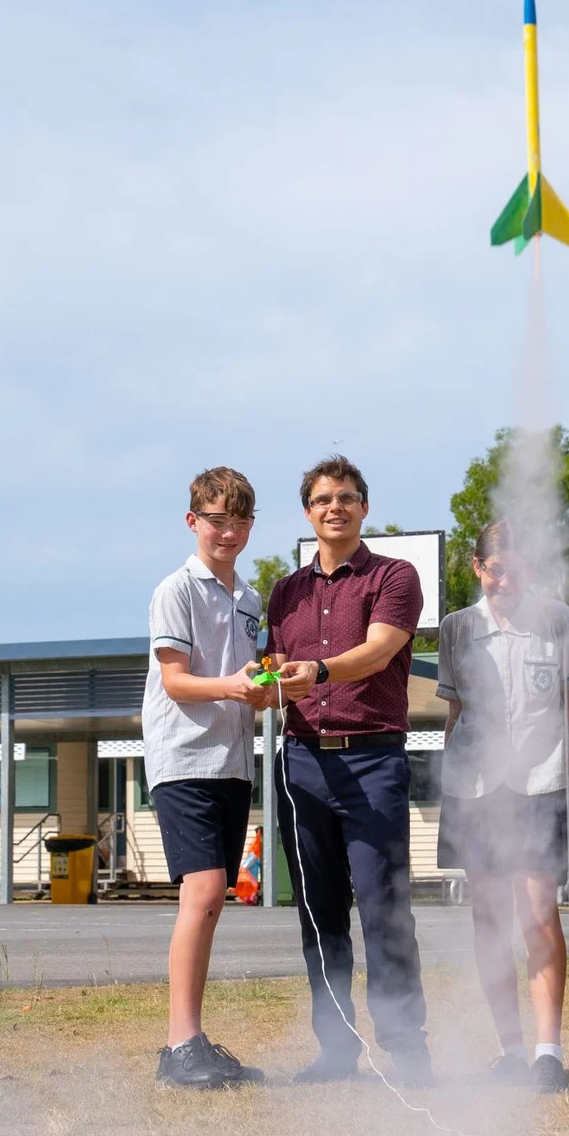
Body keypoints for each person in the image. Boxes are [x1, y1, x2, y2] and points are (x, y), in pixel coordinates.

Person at [268, 456, 432, 1084]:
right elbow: (280, 674)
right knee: (319, 911)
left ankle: (407, 1050)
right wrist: (265, 688)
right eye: (321, 499)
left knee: (385, 908)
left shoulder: (395, 576)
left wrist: (319, 671)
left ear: (365, 507)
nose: (334, 507)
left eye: (346, 497)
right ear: (307, 513)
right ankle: (336, 1050)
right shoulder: (286, 592)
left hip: (372, 762)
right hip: (302, 764)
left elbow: (381, 650)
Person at [435, 520, 569, 1092]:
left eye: (518, 570)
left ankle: (548, 1053)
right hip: (473, 788)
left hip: (538, 785)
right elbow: (453, 710)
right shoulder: (457, 628)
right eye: (496, 570)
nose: (506, 581)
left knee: (539, 915)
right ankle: (510, 1050)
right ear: (478, 568)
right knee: (490, 920)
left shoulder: (558, 621)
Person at [144, 465, 277, 1089]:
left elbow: (249, 676)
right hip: (182, 760)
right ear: (193, 521)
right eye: (217, 520)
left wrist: (268, 688)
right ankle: (179, 1046)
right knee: (201, 893)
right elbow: (175, 680)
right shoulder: (176, 589)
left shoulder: (249, 599)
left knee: (214, 898)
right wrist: (233, 686)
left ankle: (191, 1039)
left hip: (230, 762)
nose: (228, 531)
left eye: (240, 520)